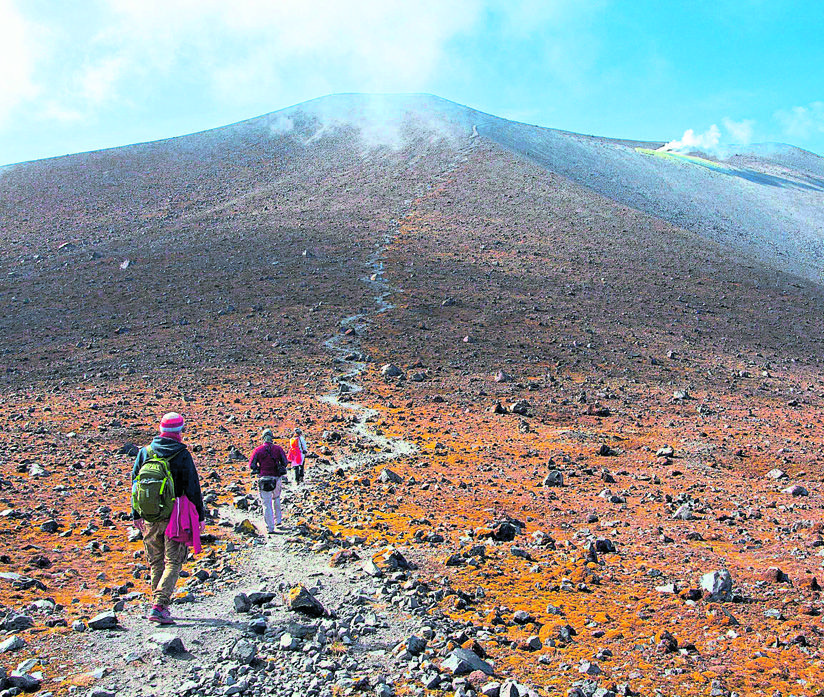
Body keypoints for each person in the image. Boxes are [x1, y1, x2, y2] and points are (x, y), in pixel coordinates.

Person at [132, 412, 205, 625]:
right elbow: (193, 487)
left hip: (150, 515)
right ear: (179, 431)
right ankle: (159, 606)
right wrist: (200, 516)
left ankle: (158, 604)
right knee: (173, 561)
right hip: (176, 515)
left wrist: (136, 513)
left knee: (156, 562)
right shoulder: (182, 454)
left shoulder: (145, 452)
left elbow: (135, 484)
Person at [249, 428, 288, 533]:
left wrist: (259, 469)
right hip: (276, 478)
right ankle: (278, 521)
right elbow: (285, 462)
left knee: (266, 503)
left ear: (263, 438)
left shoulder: (258, 450)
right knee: (276, 498)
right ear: (272, 438)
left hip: (264, 479)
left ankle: (270, 527)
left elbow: (251, 465)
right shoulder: (278, 449)